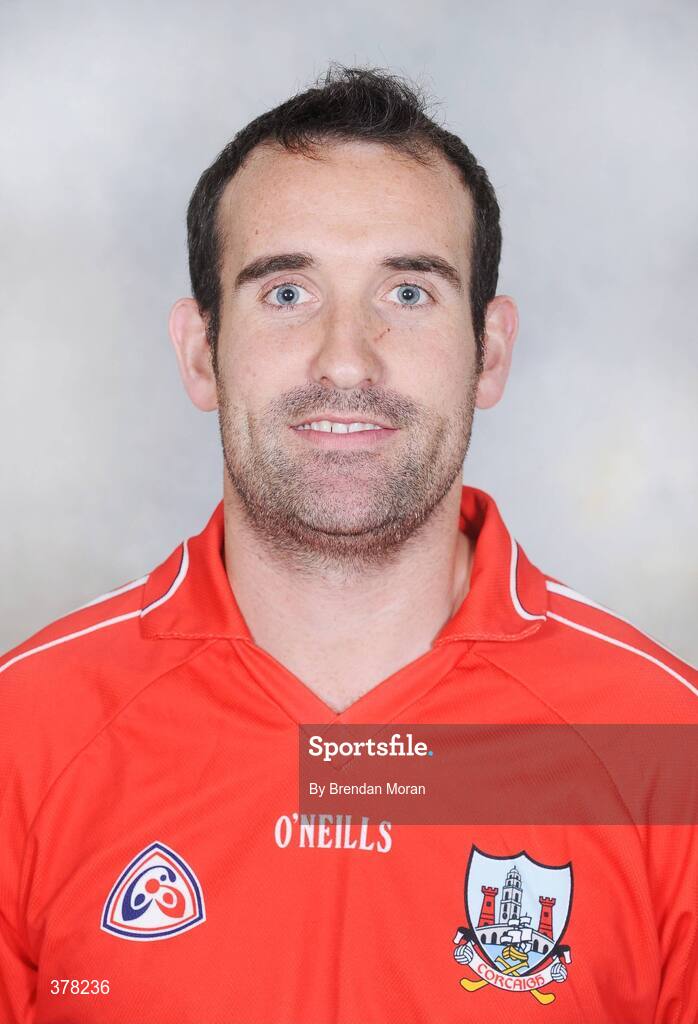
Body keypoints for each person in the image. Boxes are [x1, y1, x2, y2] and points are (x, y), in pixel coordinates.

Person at [0, 64, 695, 1024]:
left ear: (489, 352)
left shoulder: (666, 747)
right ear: (201, 352)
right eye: (286, 293)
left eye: (408, 294)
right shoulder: (24, 734)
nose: (344, 360)